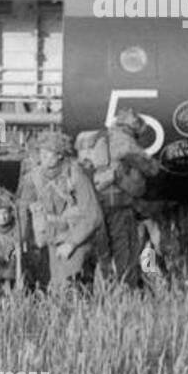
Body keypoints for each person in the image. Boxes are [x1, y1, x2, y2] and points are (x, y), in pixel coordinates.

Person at [78, 107, 160, 287]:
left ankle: (100, 287)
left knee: (102, 251)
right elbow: (151, 169)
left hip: (95, 205)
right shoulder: (127, 143)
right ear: (133, 128)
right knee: (128, 248)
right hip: (120, 205)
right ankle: (130, 287)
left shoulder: (101, 139)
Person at [22, 132, 105, 291]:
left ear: (60, 155)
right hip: (52, 239)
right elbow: (24, 205)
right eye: (42, 152)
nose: (44, 156)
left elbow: (94, 216)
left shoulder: (76, 175)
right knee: (56, 287)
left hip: (77, 238)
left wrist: (71, 243)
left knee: (71, 284)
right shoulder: (36, 176)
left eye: (49, 152)